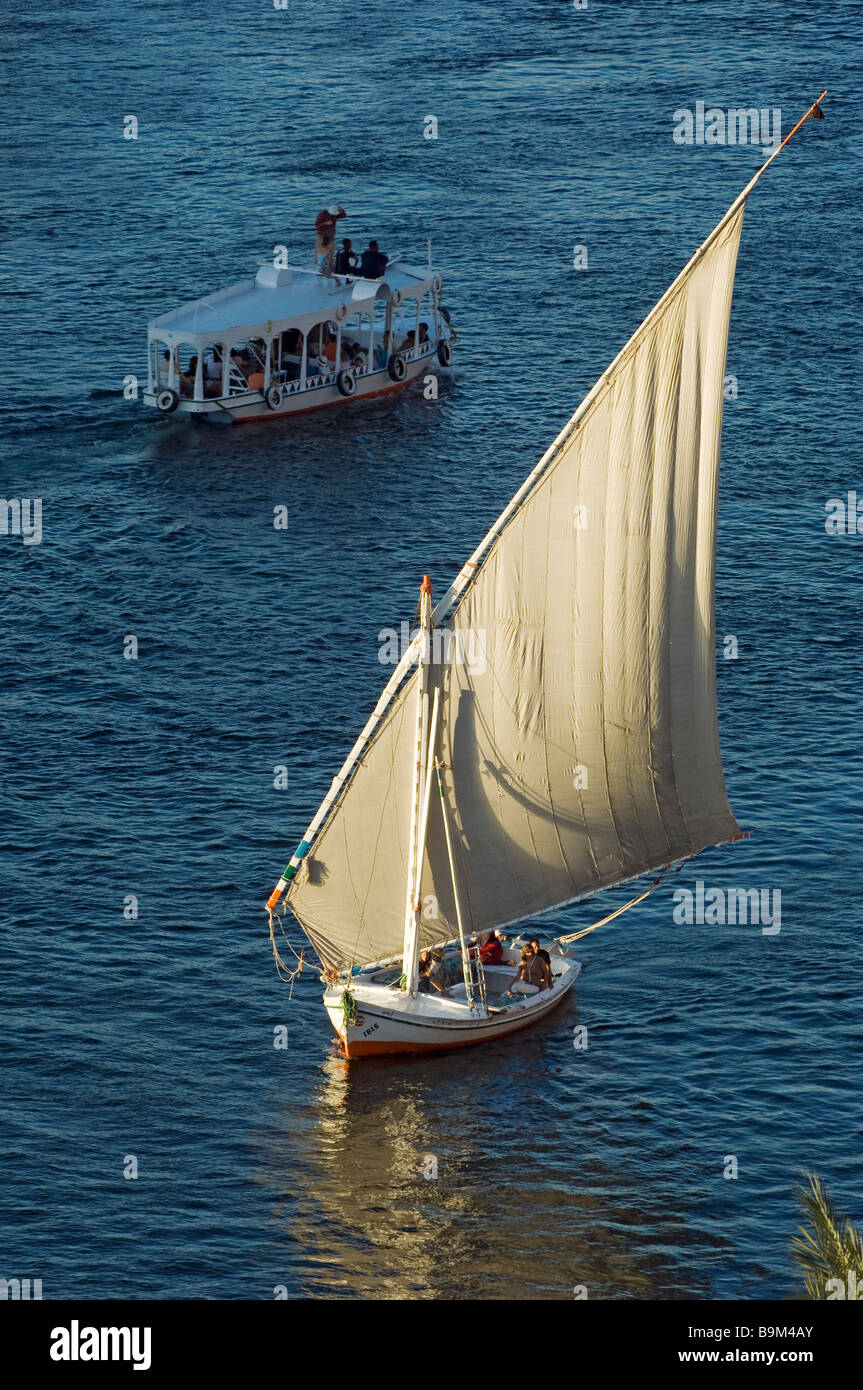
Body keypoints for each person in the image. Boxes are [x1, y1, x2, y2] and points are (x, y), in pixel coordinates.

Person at [315, 203, 346, 269]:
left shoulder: (335, 215)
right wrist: (325, 223)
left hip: (331, 235)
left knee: (331, 252)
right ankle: (319, 267)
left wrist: (341, 209)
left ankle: (330, 266)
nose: (334, 215)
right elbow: (317, 225)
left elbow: (344, 216)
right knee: (320, 252)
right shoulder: (322, 214)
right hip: (322, 235)